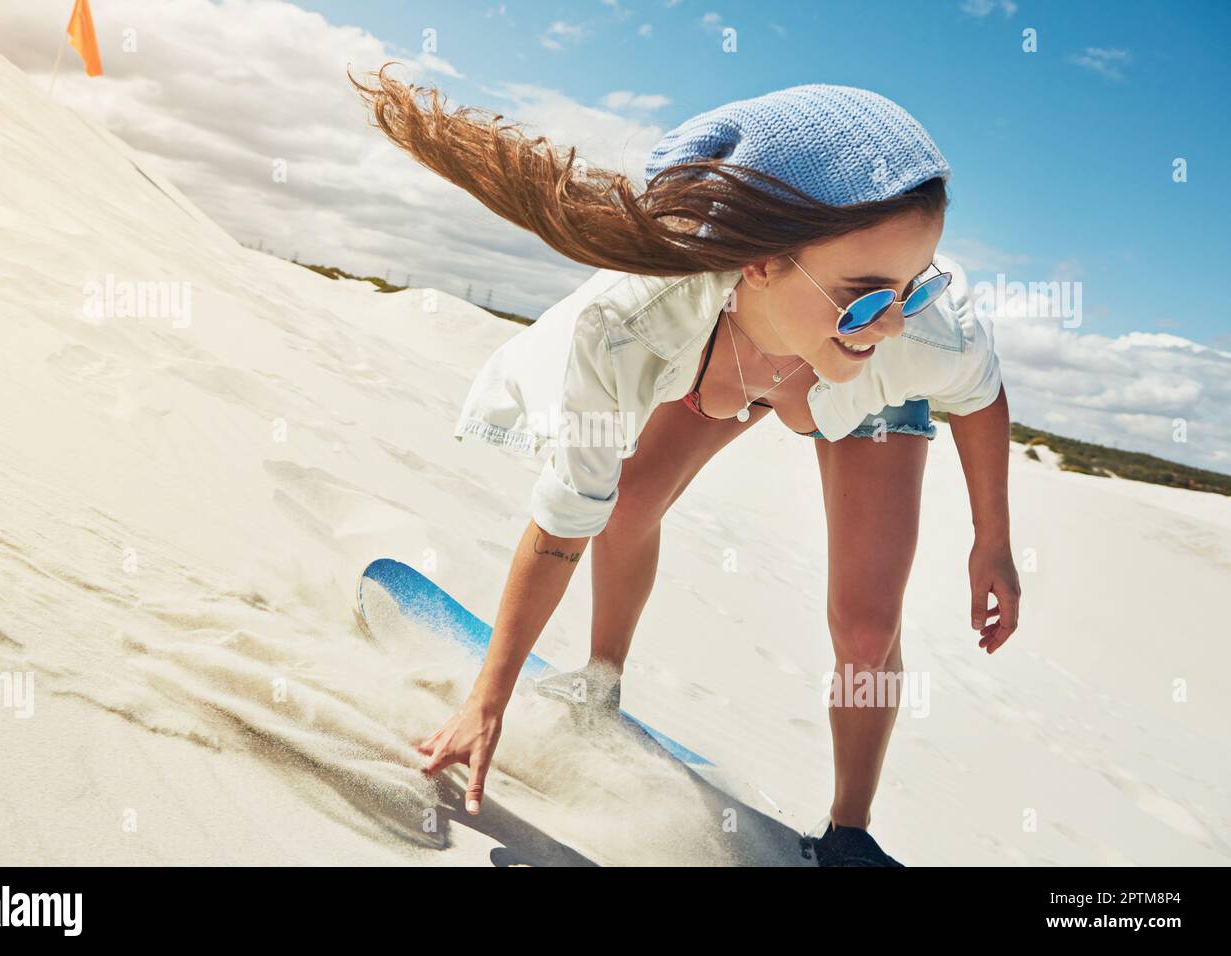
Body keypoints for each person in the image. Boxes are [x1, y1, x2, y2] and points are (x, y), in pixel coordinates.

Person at [352, 66, 1021, 866]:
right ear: (763, 262)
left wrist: (993, 541)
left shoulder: (916, 328)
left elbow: (980, 395)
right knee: (627, 506)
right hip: (726, 360)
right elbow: (568, 523)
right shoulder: (631, 326)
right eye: (867, 295)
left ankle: (849, 828)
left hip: (864, 403)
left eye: (913, 288)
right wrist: (485, 701)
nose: (892, 319)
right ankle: (599, 683)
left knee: (868, 628)